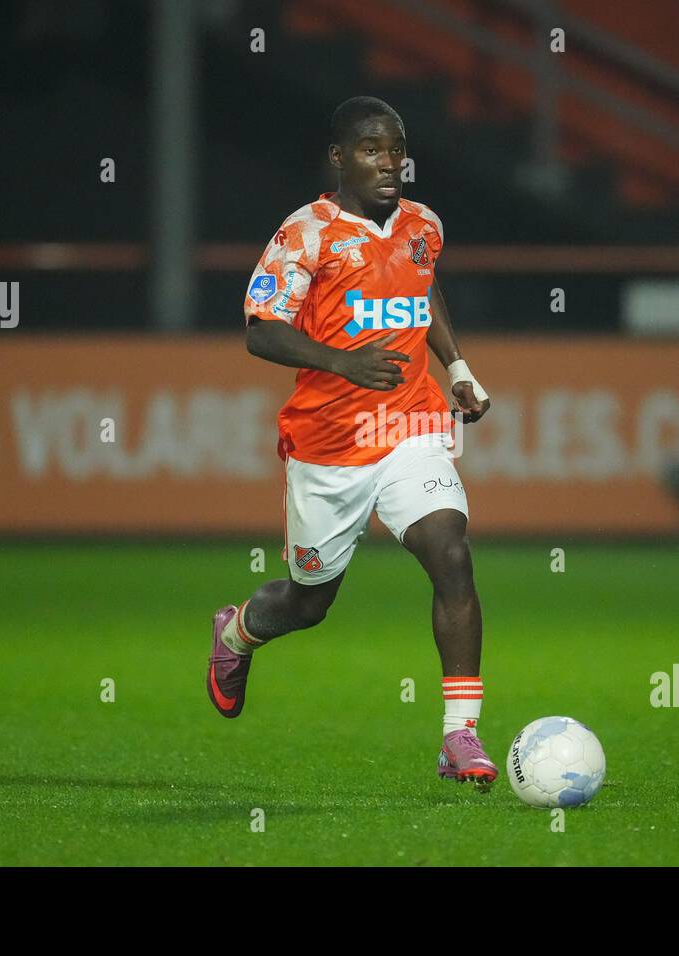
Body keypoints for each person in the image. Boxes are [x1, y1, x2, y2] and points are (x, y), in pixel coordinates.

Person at [207, 96, 498, 788]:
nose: (390, 162)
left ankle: (459, 736)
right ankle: (236, 631)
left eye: (397, 149)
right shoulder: (305, 233)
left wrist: (456, 368)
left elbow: (424, 293)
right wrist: (342, 361)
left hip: (410, 425)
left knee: (450, 553)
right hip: (328, 443)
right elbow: (259, 328)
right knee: (310, 603)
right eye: (372, 149)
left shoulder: (423, 225)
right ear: (339, 158)